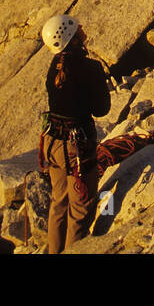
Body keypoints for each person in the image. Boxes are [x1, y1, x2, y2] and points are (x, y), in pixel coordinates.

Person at [40, 14, 111, 254]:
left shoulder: (55, 65)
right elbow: (102, 110)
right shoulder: (90, 67)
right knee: (80, 209)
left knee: (59, 202)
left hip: (52, 141)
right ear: (70, 37)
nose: (82, 28)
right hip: (76, 146)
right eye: (77, 28)